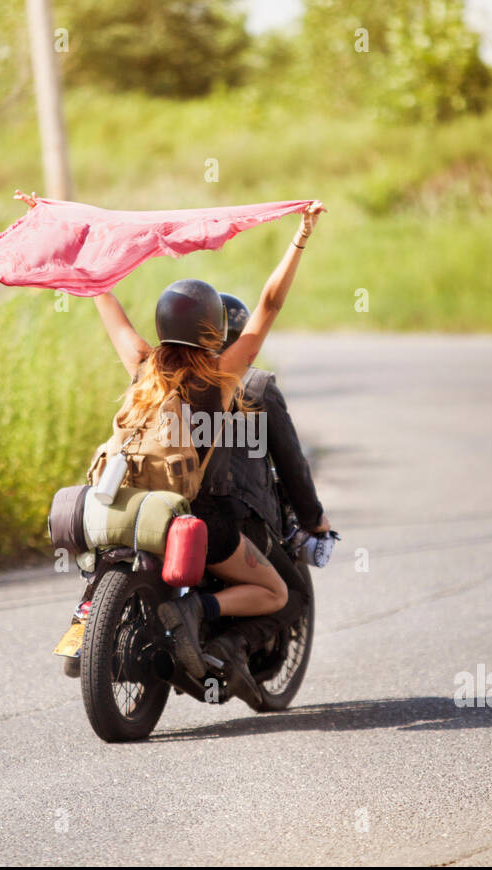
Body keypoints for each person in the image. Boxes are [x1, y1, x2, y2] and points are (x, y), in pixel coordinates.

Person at [83, 198, 326, 700]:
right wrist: (301, 236)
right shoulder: (219, 379)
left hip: (139, 507)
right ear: (215, 329)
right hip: (201, 522)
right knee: (277, 591)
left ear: (162, 323)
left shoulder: (141, 366)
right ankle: (199, 611)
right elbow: (269, 307)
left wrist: (84, 243)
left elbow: (103, 297)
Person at [195, 293, 331, 700]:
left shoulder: (171, 380)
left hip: (172, 509)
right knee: (294, 596)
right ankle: (229, 646)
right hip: (239, 517)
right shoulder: (256, 386)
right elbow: (291, 464)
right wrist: (314, 521)